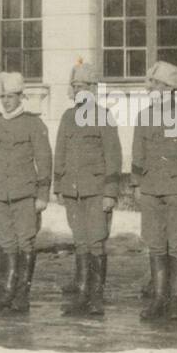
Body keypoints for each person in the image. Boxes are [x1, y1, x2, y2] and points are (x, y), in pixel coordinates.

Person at [131, 61, 177, 321]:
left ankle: (174, 302)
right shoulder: (143, 117)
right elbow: (138, 154)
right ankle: (158, 300)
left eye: (159, 85)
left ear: (171, 89)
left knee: (176, 246)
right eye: (152, 85)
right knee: (155, 245)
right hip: (151, 189)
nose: (153, 89)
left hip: (176, 189)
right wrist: (137, 185)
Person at [0, 72, 51, 313]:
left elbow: (44, 160)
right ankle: (7, 291)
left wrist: (42, 194)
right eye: (3, 96)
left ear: (21, 96)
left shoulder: (34, 124)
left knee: (25, 243)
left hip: (24, 194)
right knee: (6, 243)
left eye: (11, 96)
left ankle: (22, 294)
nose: (6, 101)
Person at [54, 63, 121, 316]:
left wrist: (110, 193)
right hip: (73, 191)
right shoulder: (67, 117)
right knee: (80, 243)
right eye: (75, 87)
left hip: (96, 192)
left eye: (83, 86)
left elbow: (113, 157)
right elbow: (59, 152)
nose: (78, 90)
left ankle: (96, 298)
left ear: (93, 89)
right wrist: (58, 186)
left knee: (96, 244)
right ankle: (82, 294)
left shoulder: (104, 116)